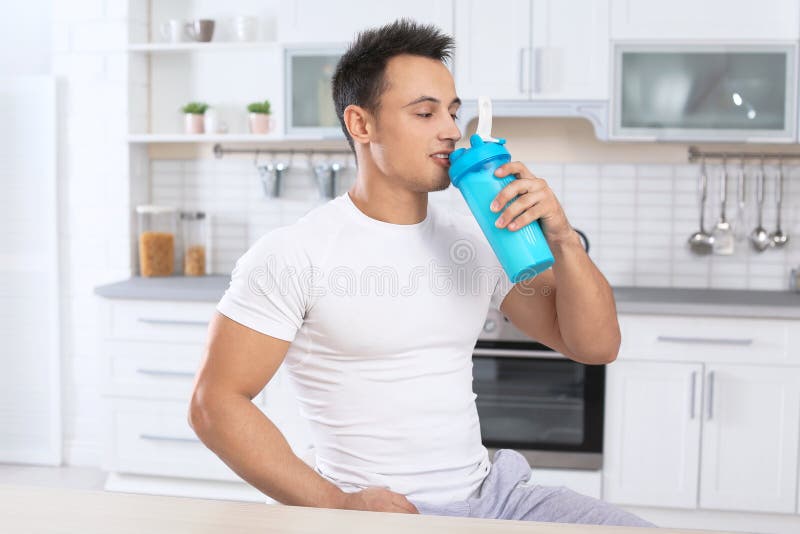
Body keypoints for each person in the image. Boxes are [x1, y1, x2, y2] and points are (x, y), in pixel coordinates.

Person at [188, 18, 655, 528]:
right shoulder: (293, 254)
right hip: (377, 511)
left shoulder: (477, 239)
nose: (452, 131)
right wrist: (336, 504)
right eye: (425, 112)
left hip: (497, 498)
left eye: (453, 112)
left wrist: (562, 238)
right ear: (361, 125)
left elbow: (596, 346)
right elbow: (215, 404)